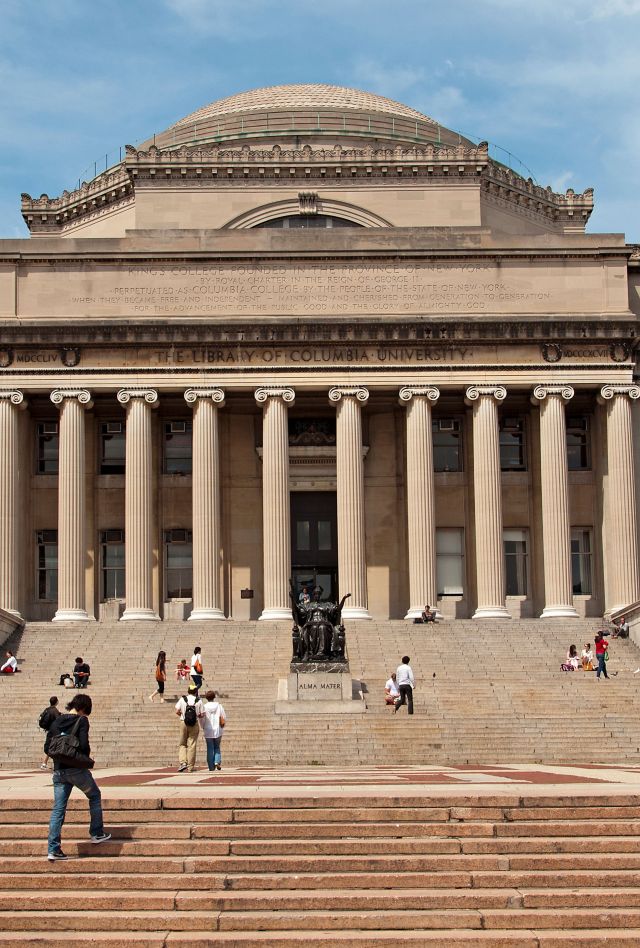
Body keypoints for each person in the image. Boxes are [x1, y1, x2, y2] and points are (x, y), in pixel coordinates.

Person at [45, 693, 111, 861]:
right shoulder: (81, 721)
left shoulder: (56, 720)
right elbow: (83, 745)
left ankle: (53, 849)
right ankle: (96, 833)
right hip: (76, 771)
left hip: (59, 772)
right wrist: (81, 757)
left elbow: (47, 747)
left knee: (58, 809)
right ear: (83, 708)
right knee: (94, 795)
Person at [175, 683, 204, 773]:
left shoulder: (183, 699)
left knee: (182, 743)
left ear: (188, 691)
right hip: (194, 723)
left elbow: (177, 711)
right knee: (192, 744)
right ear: (196, 691)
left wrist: (183, 716)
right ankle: (190, 767)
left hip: (183, 722)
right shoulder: (198, 700)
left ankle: (183, 762)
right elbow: (202, 714)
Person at [202, 690, 226, 771]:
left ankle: (211, 767)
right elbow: (223, 716)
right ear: (214, 697)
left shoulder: (204, 707)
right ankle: (217, 761)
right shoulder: (219, 706)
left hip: (208, 729)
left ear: (206, 698)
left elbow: (202, 718)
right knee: (217, 746)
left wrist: (203, 726)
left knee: (209, 747)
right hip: (218, 729)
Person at [39, 696, 61, 770]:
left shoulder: (47, 709)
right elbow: (58, 721)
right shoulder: (55, 710)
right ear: (56, 702)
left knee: (50, 747)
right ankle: (45, 763)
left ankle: (44, 763)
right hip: (53, 732)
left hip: (48, 730)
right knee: (53, 747)